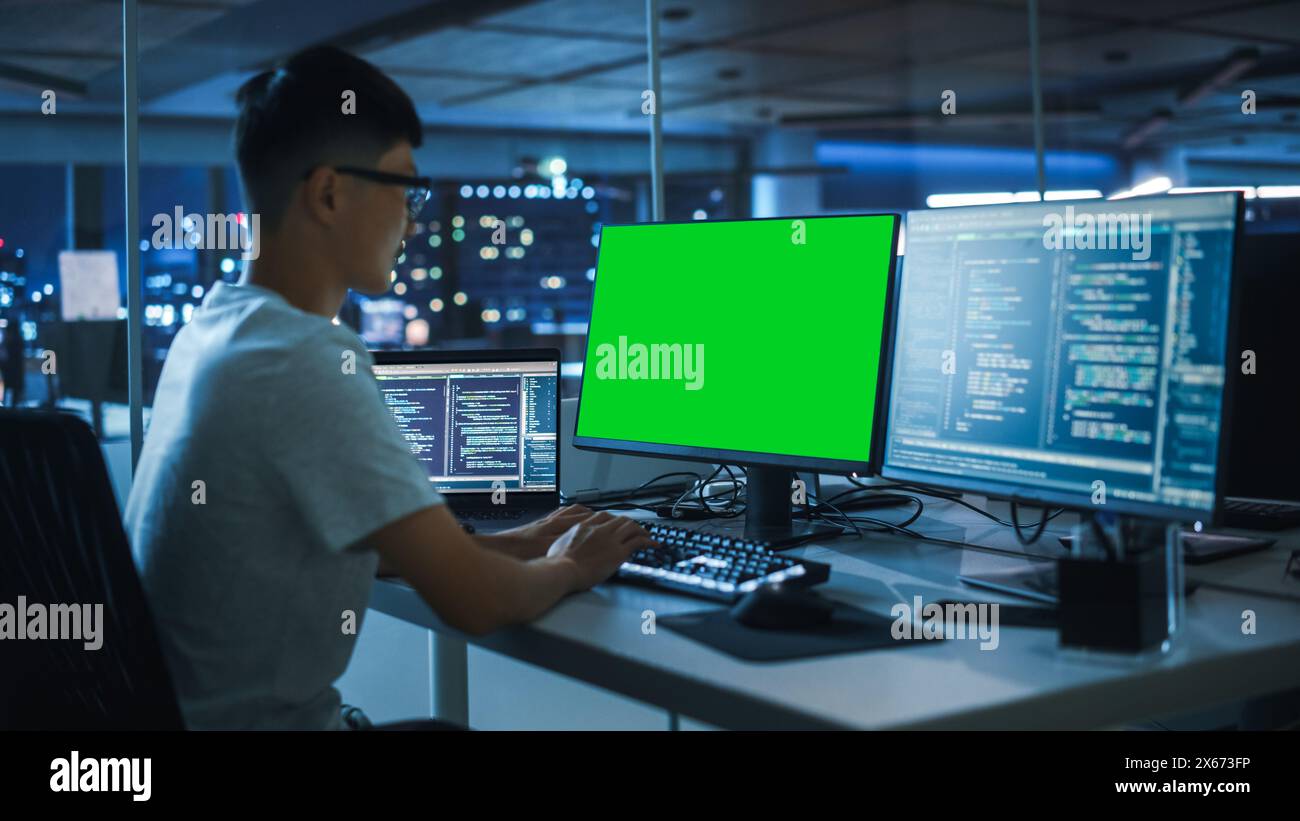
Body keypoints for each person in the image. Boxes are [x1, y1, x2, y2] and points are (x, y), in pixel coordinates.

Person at [123, 46, 653, 731]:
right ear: (329, 193)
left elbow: (412, 555)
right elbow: (474, 601)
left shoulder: (218, 327)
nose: (414, 217)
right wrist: (573, 567)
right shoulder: (304, 357)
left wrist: (526, 542)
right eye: (404, 187)